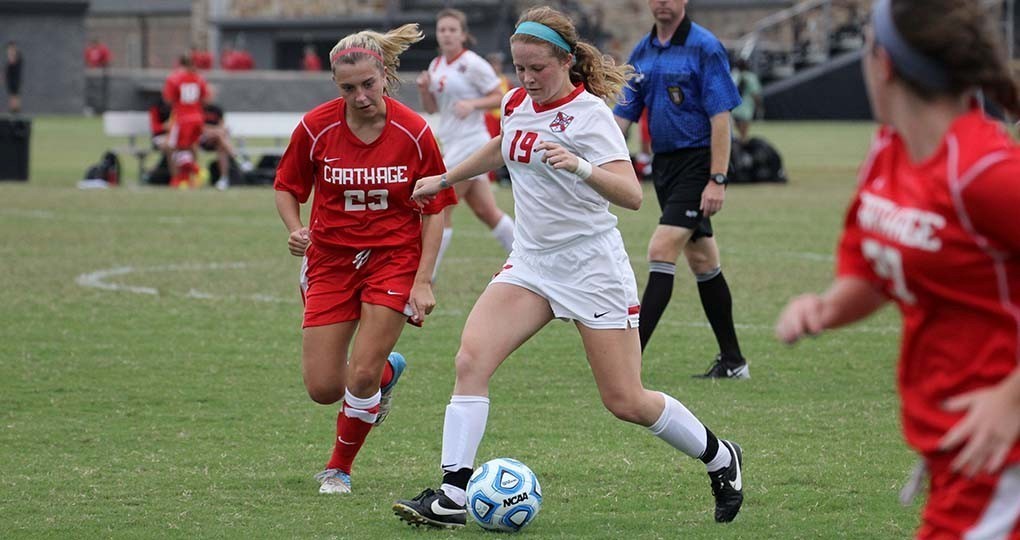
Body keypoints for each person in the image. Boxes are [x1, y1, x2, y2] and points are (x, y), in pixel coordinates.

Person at [393, 6, 744, 529]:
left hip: (591, 267)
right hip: (532, 263)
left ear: (564, 61)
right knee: (471, 360)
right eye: (520, 68)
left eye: (538, 68)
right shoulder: (515, 100)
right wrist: (444, 179)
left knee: (625, 399)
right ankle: (452, 494)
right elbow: (502, 143)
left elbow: (630, 195)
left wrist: (578, 165)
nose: (528, 80)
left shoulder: (590, 117)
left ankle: (720, 457)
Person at [776, 1, 1020, 537]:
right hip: (953, 456)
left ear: (882, 63)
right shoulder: (891, 150)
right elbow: (875, 270)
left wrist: (1011, 399)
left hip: (1002, 463)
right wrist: (828, 306)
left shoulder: (984, 172)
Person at [273, 23, 457, 495]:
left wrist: (423, 281)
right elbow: (288, 187)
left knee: (360, 374)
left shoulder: (414, 132)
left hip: (393, 258)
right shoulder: (316, 127)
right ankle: (387, 372)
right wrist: (295, 229)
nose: (359, 96)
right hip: (330, 261)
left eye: (368, 85)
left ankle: (339, 468)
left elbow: (436, 209)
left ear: (385, 76)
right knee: (323, 388)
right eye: (348, 88)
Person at [613, 0, 748, 379]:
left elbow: (721, 117)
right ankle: (734, 361)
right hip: (666, 167)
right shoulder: (643, 50)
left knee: (660, 249)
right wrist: (596, 152)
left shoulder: (705, 47)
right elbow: (623, 113)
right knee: (703, 261)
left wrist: (717, 178)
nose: (662, 2)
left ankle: (627, 359)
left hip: (698, 163)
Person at [415, 8, 515, 281]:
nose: (446, 35)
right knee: (486, 211)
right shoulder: (436, 66)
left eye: (452, 30)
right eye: (442, 30)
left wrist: (473, 103)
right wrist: (425, 90)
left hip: (472, 144)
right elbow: (433, 109)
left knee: (441, 206)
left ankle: (426, 276)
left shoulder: (472, 63)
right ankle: (525, 256)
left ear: (463, 34)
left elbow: (501, 96)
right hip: (451, 142)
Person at [163, 55, 209, 188]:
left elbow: (168, 99)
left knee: (172, 147)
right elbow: (206, 98)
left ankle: (184, 175)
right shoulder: (199, 78)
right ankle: (189, 179)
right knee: (191, 147)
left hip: (182, 118)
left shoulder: (174, 78)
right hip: (197, 118)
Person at [730, 57, 762, 143]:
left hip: (734, 110)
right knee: (744, 136)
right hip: (745, 111)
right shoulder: (751, 77)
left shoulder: (733, 76)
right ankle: (742, 154)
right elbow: (755, 95)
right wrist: (759, 107)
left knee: (738, 134)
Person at [5, 41, 22, 114]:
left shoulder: (18, 56)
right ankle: (13, 111)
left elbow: (13, 62)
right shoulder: (12, 57)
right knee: (12, 96)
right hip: (11, 80)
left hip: (15, 80)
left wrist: (10, 54)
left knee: (15, 96)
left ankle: (15, 112)